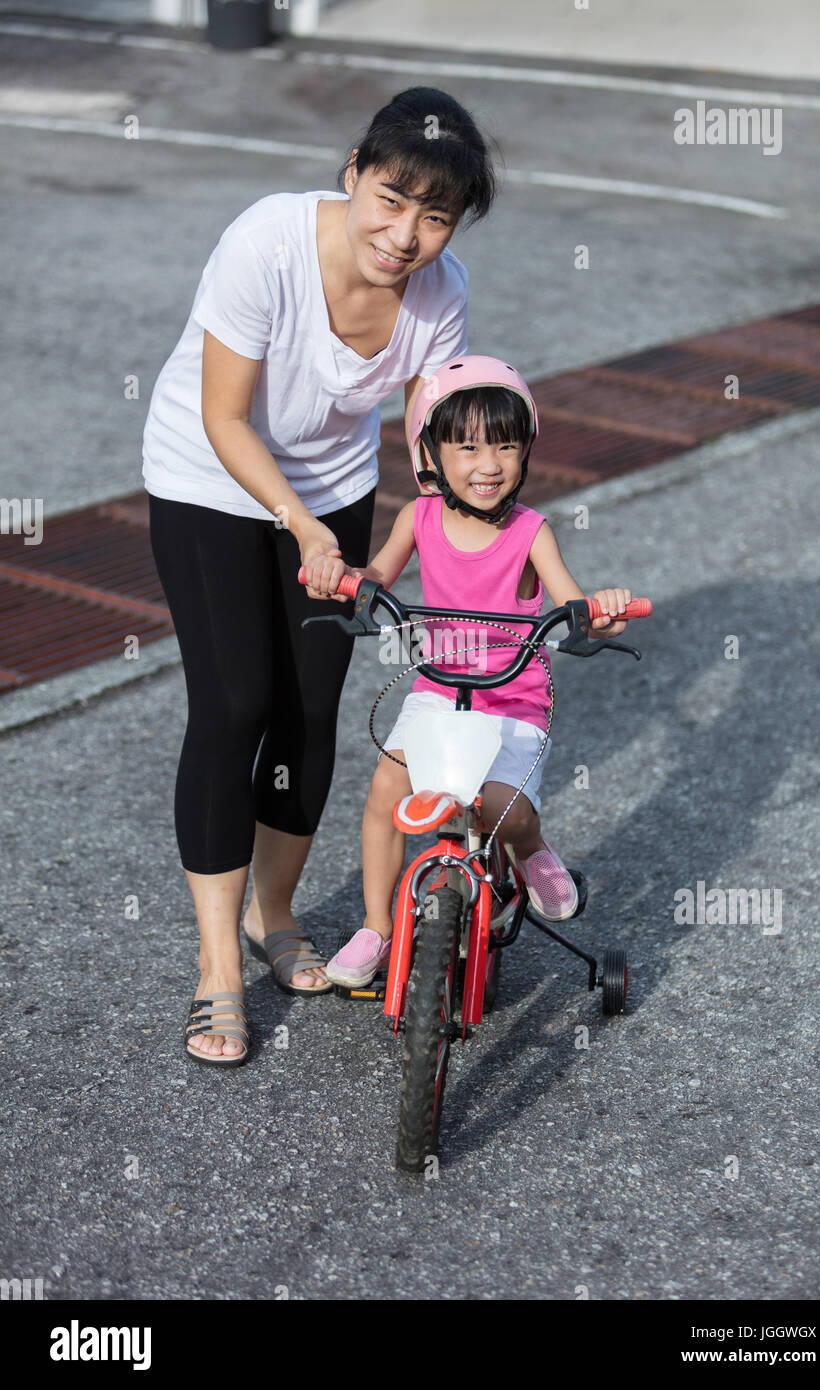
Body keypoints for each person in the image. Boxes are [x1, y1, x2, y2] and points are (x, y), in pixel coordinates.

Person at [141, 88, 498, 1065]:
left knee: (307, 708)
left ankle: (276, 914)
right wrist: (297, 526)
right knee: (235, 702)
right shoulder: (266, 242)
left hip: (333, 486)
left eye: (435, 216)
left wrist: (477, 552)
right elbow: (224, 416)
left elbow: (435, 449)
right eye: (390, 198)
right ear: (353, 174)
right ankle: (219, 970)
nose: (404, 234)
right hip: (206, 474)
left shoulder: (441, 293)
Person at [319, 356, 634, 988]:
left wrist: (603, 614)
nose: (487, 465)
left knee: (502, 809)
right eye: (466, 446)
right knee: (388, 788)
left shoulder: (530, 531)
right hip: (440, 690)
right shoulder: (419, 517)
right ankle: (376, 926)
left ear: (526, 453)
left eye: (505, 446)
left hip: (513, 699)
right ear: (430, 455)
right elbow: (376, 576)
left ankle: (533, 848)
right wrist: (346, 580)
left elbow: (573, 605)